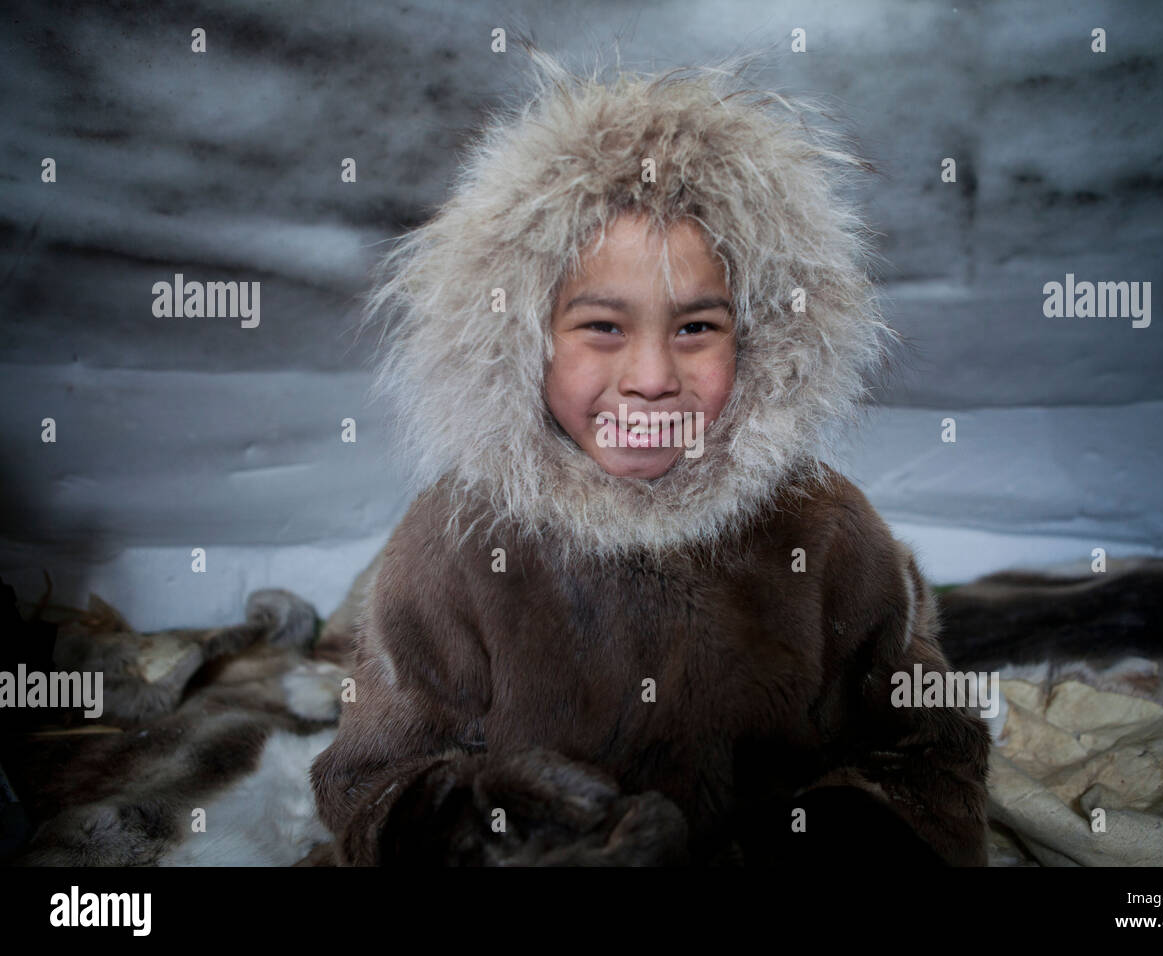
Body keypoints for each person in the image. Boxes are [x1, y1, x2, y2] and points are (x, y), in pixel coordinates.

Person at [310, 43, 990, 866]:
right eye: (602, 326)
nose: (653, 379)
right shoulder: (450, 546)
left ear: (763, 339)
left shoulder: (831, 533)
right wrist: (474, 824)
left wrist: (852, 835)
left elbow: (932, 748)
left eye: (697, 328)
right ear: (520, 340)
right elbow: (367, 783)